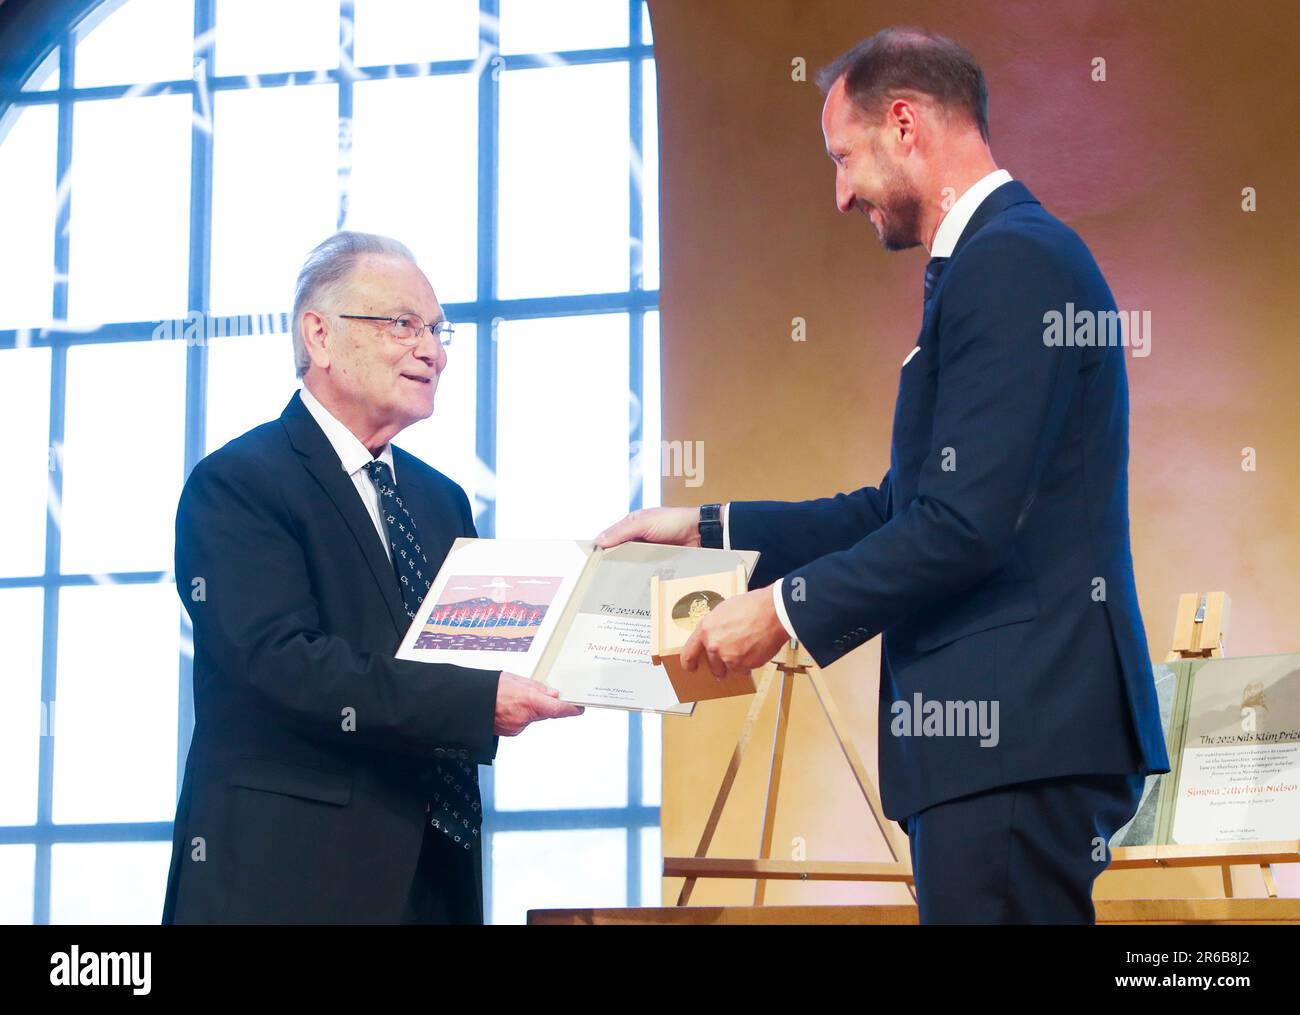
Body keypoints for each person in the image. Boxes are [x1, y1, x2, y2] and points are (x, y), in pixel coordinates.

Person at [597, 28, 1169, 924]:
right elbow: (902, 508)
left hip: (1013, 730)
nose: (838, 194)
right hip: (1006, 736)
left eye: (843, 156)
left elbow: (961, 526)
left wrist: (780, 612)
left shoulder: (1012, 261)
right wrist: (705, 527)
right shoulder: (998, 262)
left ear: (905, 124)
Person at [163, 231, 581, 924]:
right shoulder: (238, 484)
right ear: (319, 336)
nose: (434, 350)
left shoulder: (441, 500)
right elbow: (282, 663)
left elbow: (473, 659)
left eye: (438, 330)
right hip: (290, 886)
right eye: (401, 324)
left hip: (436, 880)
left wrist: (609, 640)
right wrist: (478, 701)